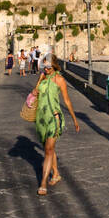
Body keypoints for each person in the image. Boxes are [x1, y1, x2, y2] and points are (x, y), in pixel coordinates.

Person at [33, 58, 79, 196]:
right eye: (43, 67)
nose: (45, 69)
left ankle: (43, 183)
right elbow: (35, 92)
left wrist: (74, 119)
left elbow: (67, 100)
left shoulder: (59, 80)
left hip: (54, 118)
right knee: (49, 148)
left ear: (53, 66)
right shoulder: (43, 77)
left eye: (47, 67)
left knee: (48, 150)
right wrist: (39, 80)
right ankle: (56, 174)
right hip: (41, 119)